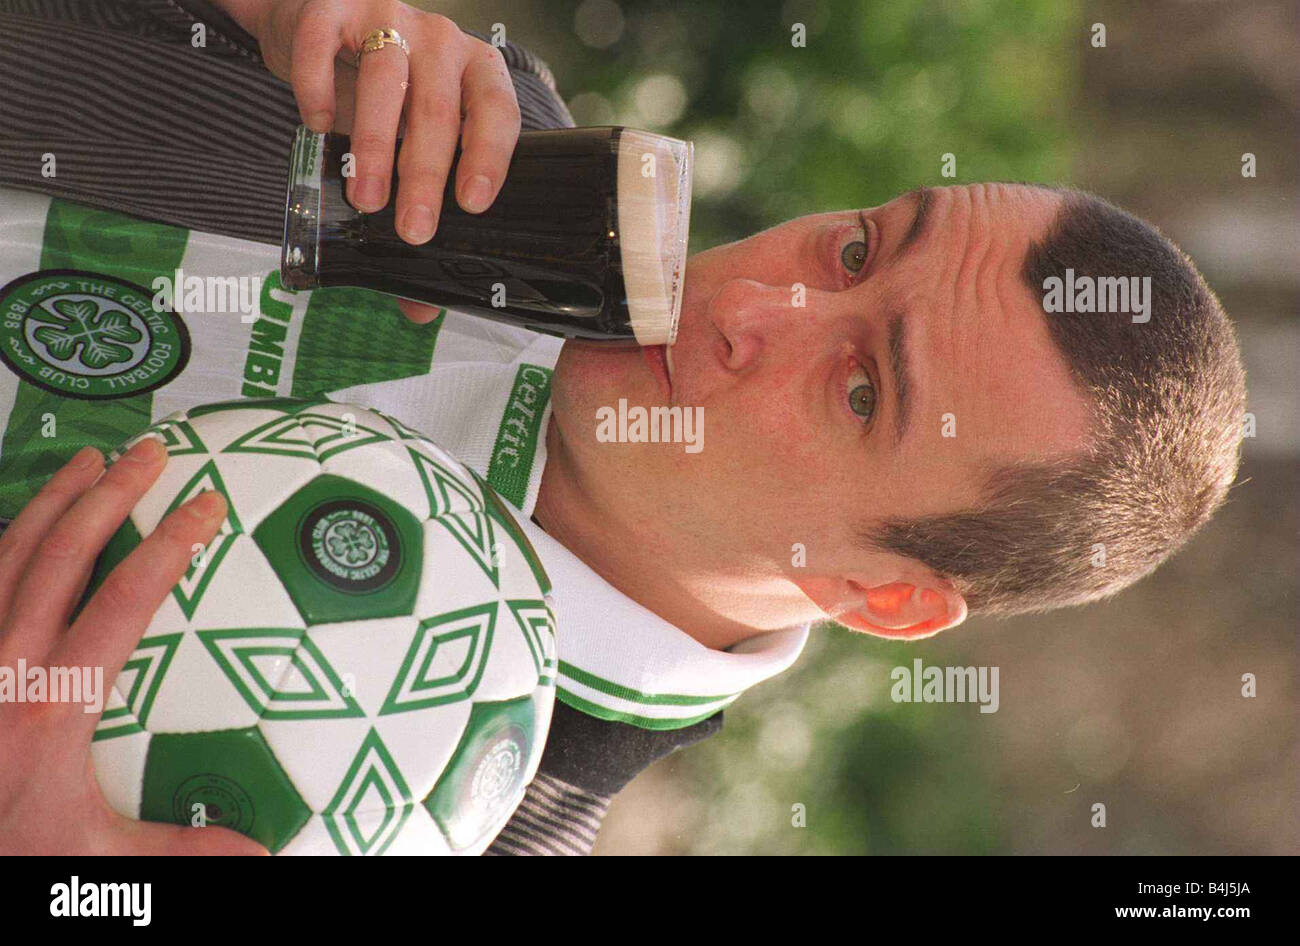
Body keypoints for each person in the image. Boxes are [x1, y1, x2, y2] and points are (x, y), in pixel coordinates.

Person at [0, 0, 1246, 855]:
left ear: (885, 598)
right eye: (857, 245)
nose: (753, 302)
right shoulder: (471, 135)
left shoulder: (473, 829)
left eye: (861, 386)